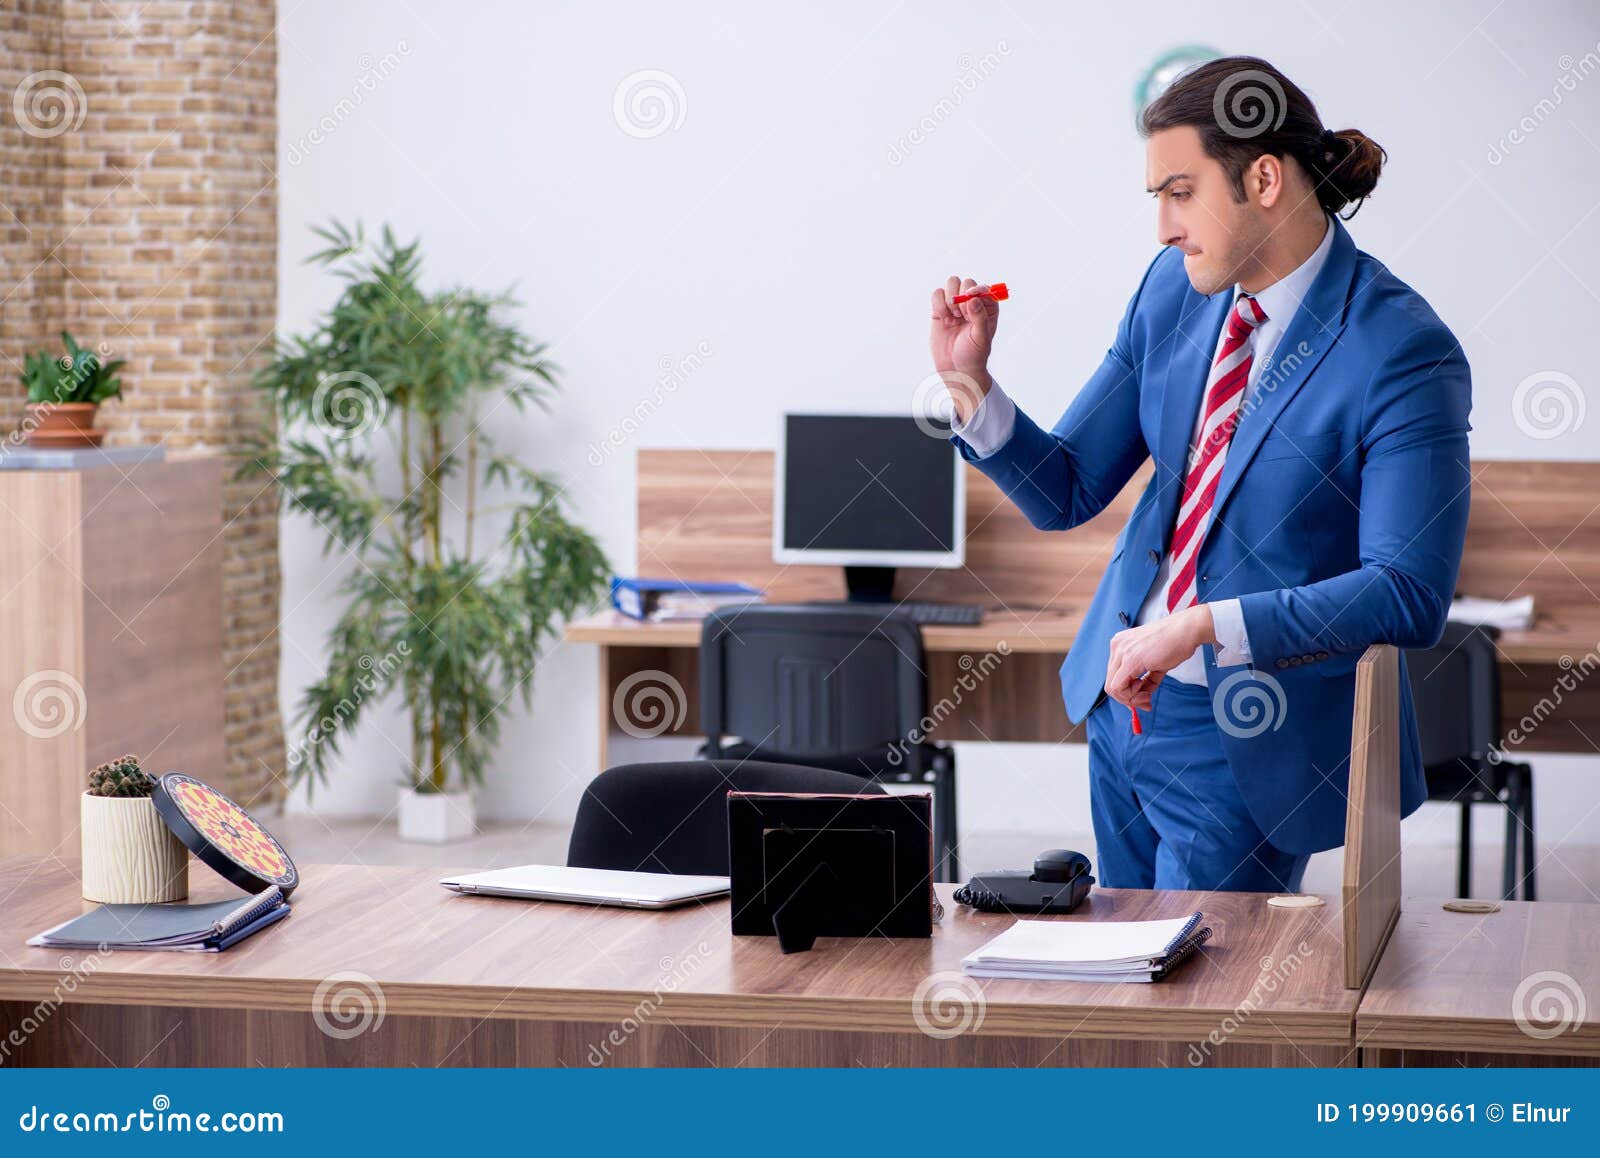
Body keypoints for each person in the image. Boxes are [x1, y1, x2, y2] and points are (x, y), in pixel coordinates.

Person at [928, 56, 1471, 892]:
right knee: (1129, 989)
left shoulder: (1400, 349)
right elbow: (1068, 487)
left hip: (1247, 729)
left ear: (1262, 178)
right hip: (1121, 708)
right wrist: (972, 388)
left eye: (1179, 193)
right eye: (1158, 199)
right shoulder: (1173, 292)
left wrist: (1208, 623)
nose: (1164, 229)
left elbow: (1407, 591)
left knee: (1205, 1005)